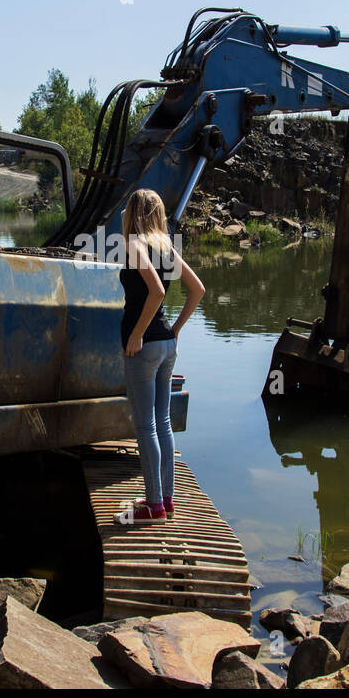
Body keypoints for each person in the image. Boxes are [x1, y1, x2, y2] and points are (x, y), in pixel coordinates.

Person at [119, 189, 205, 523]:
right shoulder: (167, 248)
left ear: (134, 213)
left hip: (144, 348)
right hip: (167, 344)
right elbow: (198, 289)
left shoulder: (135, 246)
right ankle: (165, 501)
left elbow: (155, 292)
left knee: (145, 427)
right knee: (163, 423)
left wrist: (138, 333)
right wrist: (176, 329)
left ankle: (152, 507)